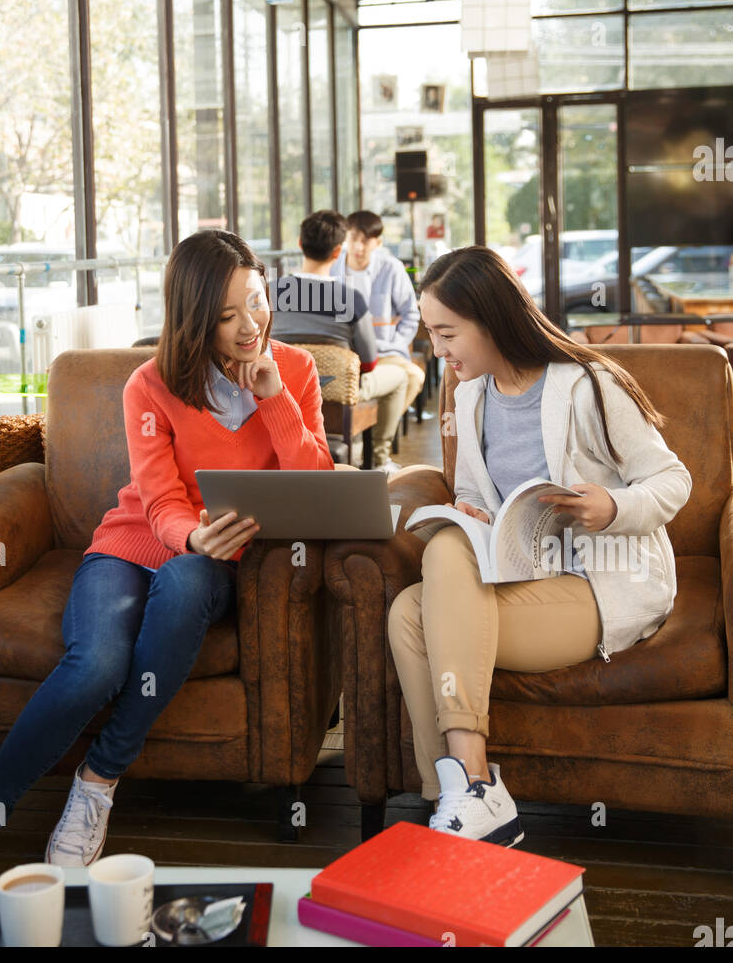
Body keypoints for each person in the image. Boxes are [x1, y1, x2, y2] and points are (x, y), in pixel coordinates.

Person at [0, 230, 333, 902]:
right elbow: (159, 497)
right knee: (96, 664)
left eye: (256, 303)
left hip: (215, 567)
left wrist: (273, 400)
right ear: (194, 317)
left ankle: (97, 781)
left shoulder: (292, 369)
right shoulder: (150, 384)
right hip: (129, 546)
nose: (248, 326)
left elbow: (314, 482)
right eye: (227, 315)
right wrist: (190, 535)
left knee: (185, 582)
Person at [387, 245, 691, 847]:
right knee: (425, 578)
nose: (438, 350)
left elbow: (672, 478)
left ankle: (468, 796)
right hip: (526, 572)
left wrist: (610, 507)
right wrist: (473, 513)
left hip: (600, 584)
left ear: (491, 319)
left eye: (447, 334)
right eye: (431, 334)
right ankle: (462, 795)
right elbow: (479, 492)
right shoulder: (469, 396)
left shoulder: (589, 384)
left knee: (419, 605)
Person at [269, 209, 410, 472]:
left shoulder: (271, 292)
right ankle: (380, 460)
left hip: (282, 390)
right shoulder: (350, 298)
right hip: (339, 391)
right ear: (337, 252)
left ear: (300, 245)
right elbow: (368, 363)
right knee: (401, 377)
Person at [329, 210, 427, 433]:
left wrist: (396, 344)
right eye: (353, 238)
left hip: (384, 353)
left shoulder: (391, 268)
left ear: (378, 243)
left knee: (414, 376)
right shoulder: (333, 267)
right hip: (343, 353)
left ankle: (376, 441)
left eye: (365, 241)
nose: (358, 247)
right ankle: (368, 435)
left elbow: (411, 314)